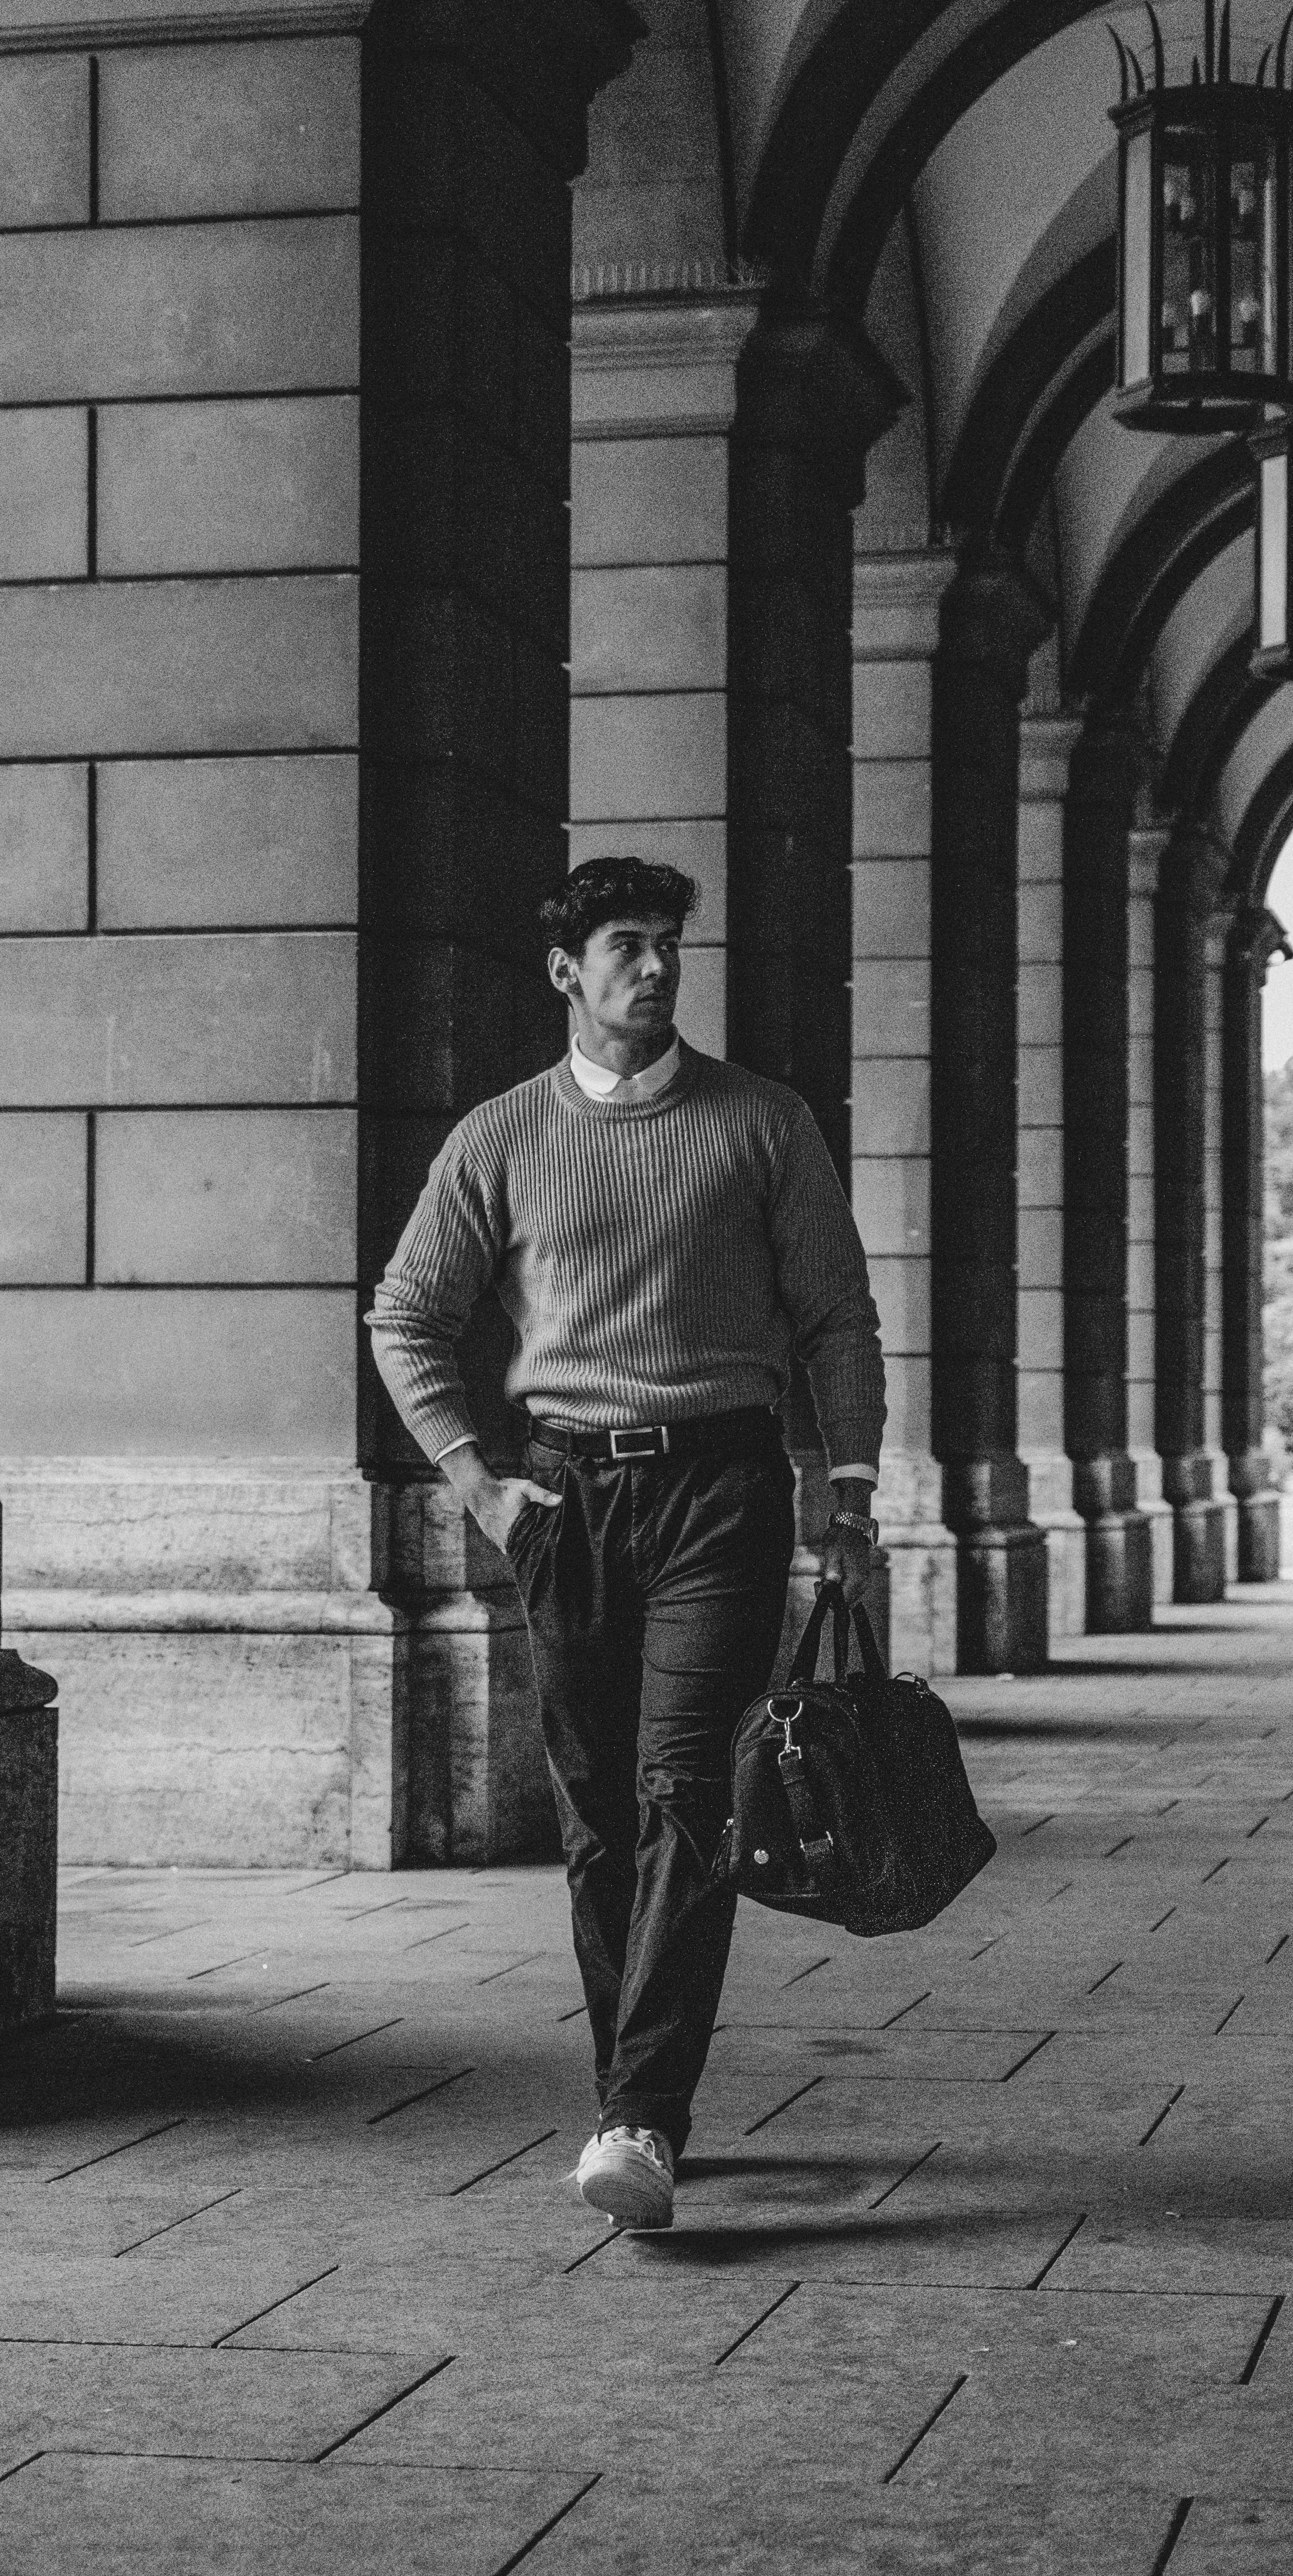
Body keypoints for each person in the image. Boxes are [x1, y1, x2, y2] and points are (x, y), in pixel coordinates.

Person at [366, 856, 885, 2232]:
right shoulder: (500, 1137)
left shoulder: (762, 1125)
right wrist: (478, 1483)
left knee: (682, 1791)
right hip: (564, 1499)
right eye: (627, 948)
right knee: (597, 1818)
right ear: (568, 972)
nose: (655, 969)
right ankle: (630, 2095)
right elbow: (405, 1315)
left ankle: (645, 2113)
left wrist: (854, 1488)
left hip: (725, 1487)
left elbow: (838, 1314)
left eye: (668, 946)